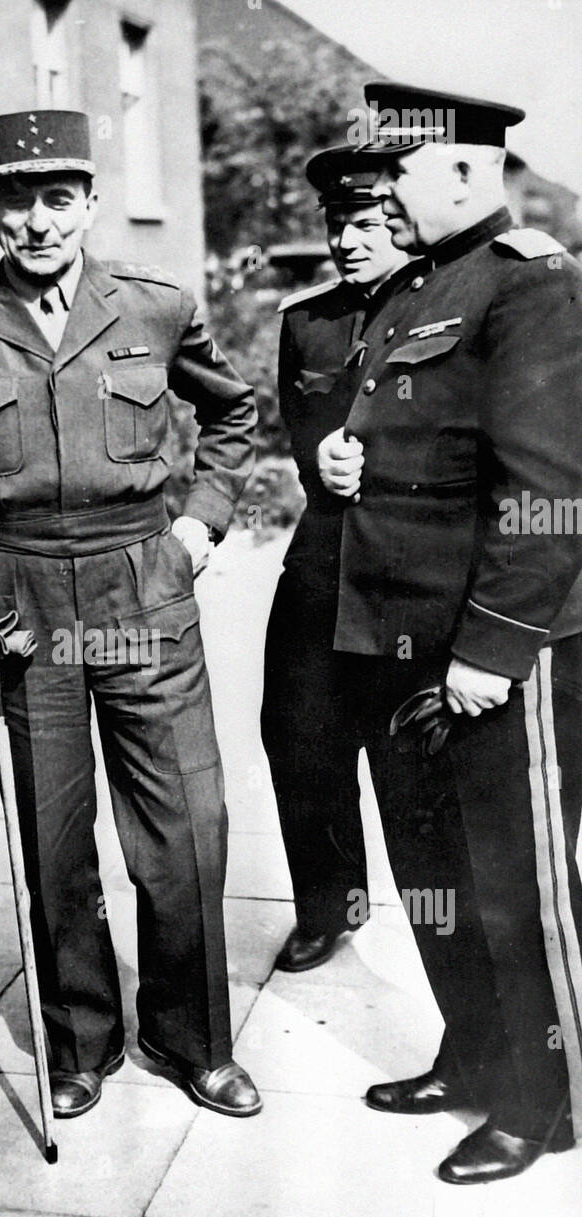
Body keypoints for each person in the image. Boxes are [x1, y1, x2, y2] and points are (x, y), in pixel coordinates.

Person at [0, 109, 262, 1120]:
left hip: (144, 589)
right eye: (16, 200)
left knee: (188, 827)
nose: (38, 222)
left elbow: (231, 412)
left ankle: (192, 1038)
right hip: (18, 606)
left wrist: (200, 526)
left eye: (58, 199)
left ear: (90, 203)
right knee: (51, 842)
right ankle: (78, 1041)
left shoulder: (156, 306)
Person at [319, 82, 582, 1183]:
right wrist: (335, 461)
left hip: (480, 655)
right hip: (390, 636)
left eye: (403, 172)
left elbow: (550, 490)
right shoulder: (416, 284)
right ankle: (471, 1056)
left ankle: (544, 1097)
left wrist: (491, 647)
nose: (382, 189)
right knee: (432, 873)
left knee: (512, 889)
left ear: (466, 174)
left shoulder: (529, 290)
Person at [262, 146, 409, 973]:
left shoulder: (446, 310)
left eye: (367, 223)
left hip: (408, 570)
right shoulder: (306, 320)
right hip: (322, 561)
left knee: (406, 755)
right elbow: (299, 428)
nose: (348, 241)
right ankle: (329, 906)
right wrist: (320, 457)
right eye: (336, 224)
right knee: (298, 736)